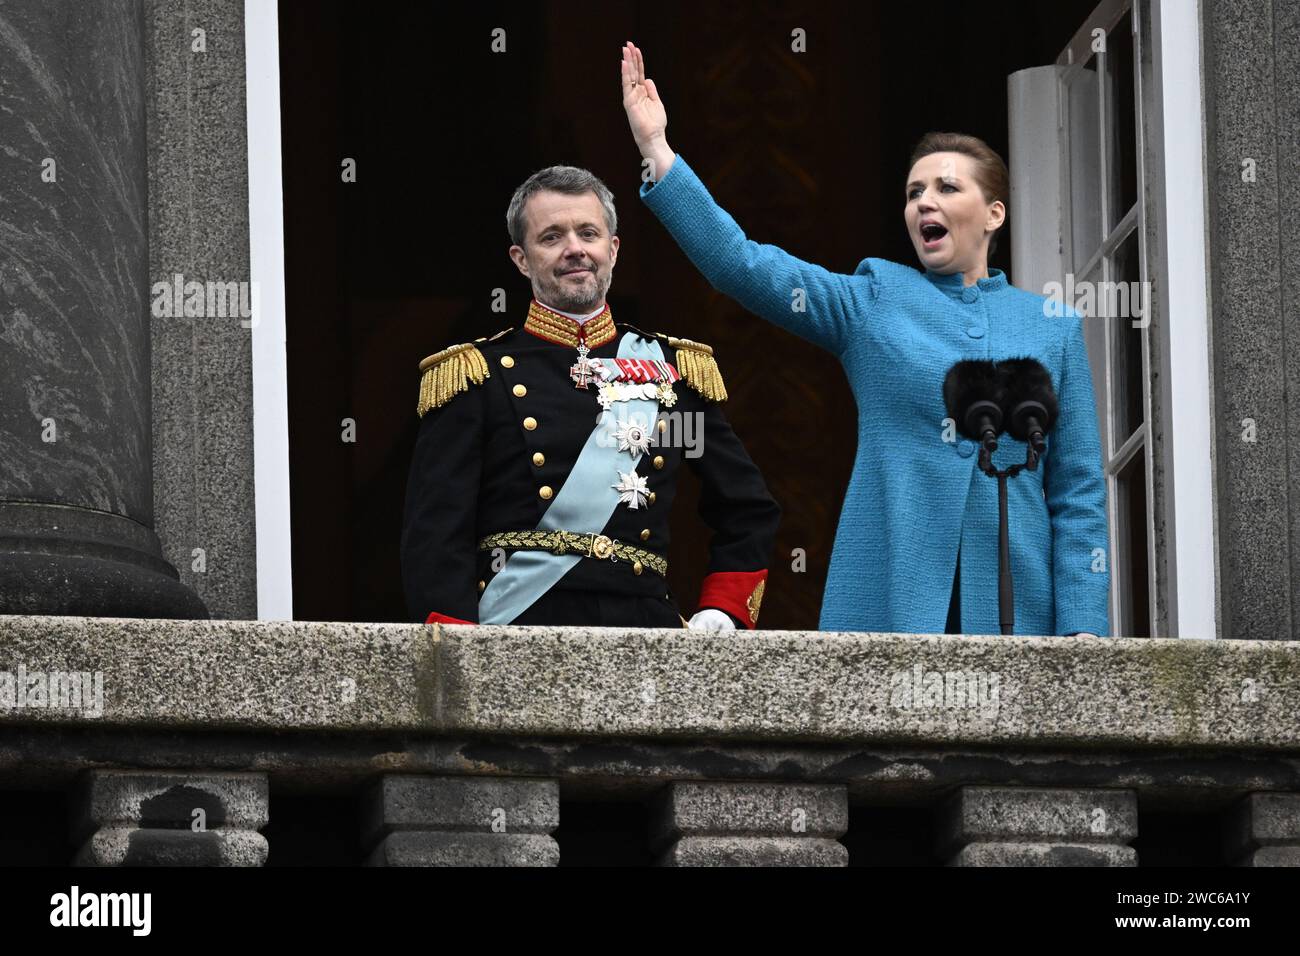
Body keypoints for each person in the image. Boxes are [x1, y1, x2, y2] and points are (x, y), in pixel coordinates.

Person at [619, 41, 1108, 637]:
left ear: (994, 214)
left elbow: (1078, 491)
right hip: (893, 598)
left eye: (947, 189)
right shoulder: (872, 300)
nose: (924, 201)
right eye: (913, 193)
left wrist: (1083, 629)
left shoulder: (1052, 325)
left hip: (1019, 606)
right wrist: (657, 150)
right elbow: (741, 265)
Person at [400, 164, 781, 630]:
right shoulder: (477, 377)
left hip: (643, 629)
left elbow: (745, 505)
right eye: (552, 237)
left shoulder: (672, 373)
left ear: (613, 249)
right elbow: (435, 531)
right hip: (516, 628)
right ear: (521, 259)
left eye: (588, 233)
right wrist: (458, 643)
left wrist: (723, 606)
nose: (575, 249)